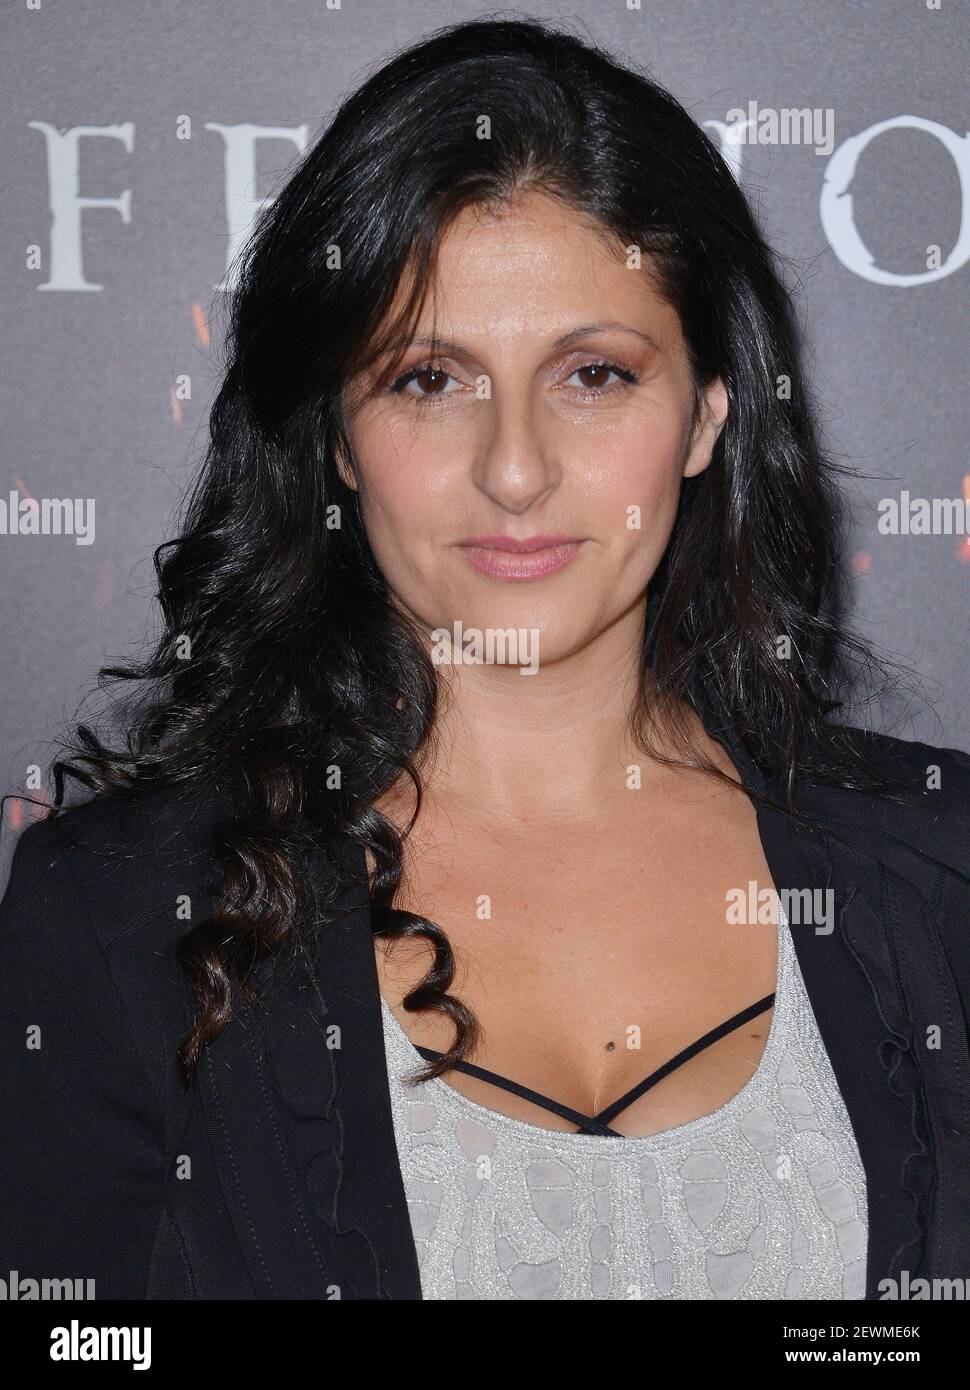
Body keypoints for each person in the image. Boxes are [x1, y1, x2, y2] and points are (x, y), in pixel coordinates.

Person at [2, 16, 969, 1303]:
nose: (514, 468)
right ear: (337, 440)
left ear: (706, 414)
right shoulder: (121, 914)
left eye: (593, 374)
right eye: (427, 379)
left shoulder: (940, 872)